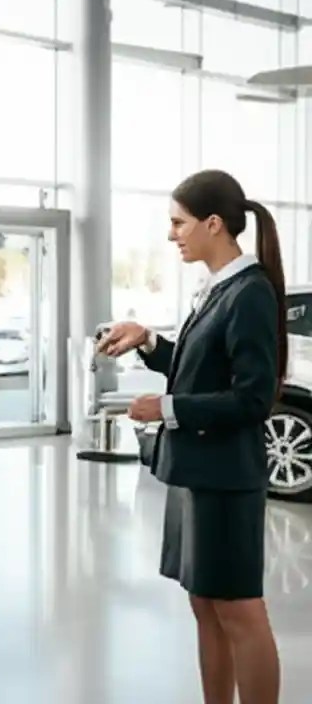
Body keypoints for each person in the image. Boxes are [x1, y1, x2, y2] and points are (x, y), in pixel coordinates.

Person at [98, 169, 284, 704]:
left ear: (214, 224)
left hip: (226, 478)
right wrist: (149, 341)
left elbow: (252, 398)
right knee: (204, 604)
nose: (171, 234)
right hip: (197, 474)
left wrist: (168, 407)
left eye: (177, 223)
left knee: (239, 609)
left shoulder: (249, 293)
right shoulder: (218, 288)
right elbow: (200, 366)